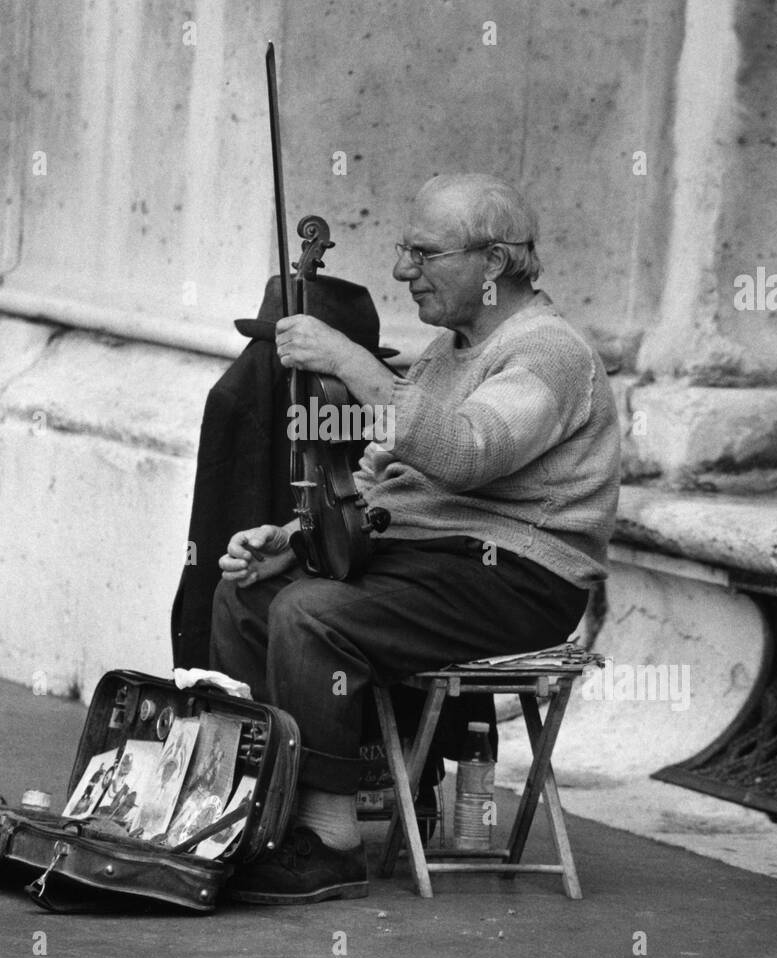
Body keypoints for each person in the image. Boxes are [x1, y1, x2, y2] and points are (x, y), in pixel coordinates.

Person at [210, 175, 621, 904]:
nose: (404, 272)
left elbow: (466, 452)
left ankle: (330, 840)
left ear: (492, 263)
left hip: (519, 574)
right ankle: (259, 810)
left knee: (311, 614)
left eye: (423, 253)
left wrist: (348, 361)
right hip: (431, 561)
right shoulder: (449, 350)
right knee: (248, 594)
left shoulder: (549, 352)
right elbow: (398, 489)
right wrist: (296, 539)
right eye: (405, 251)